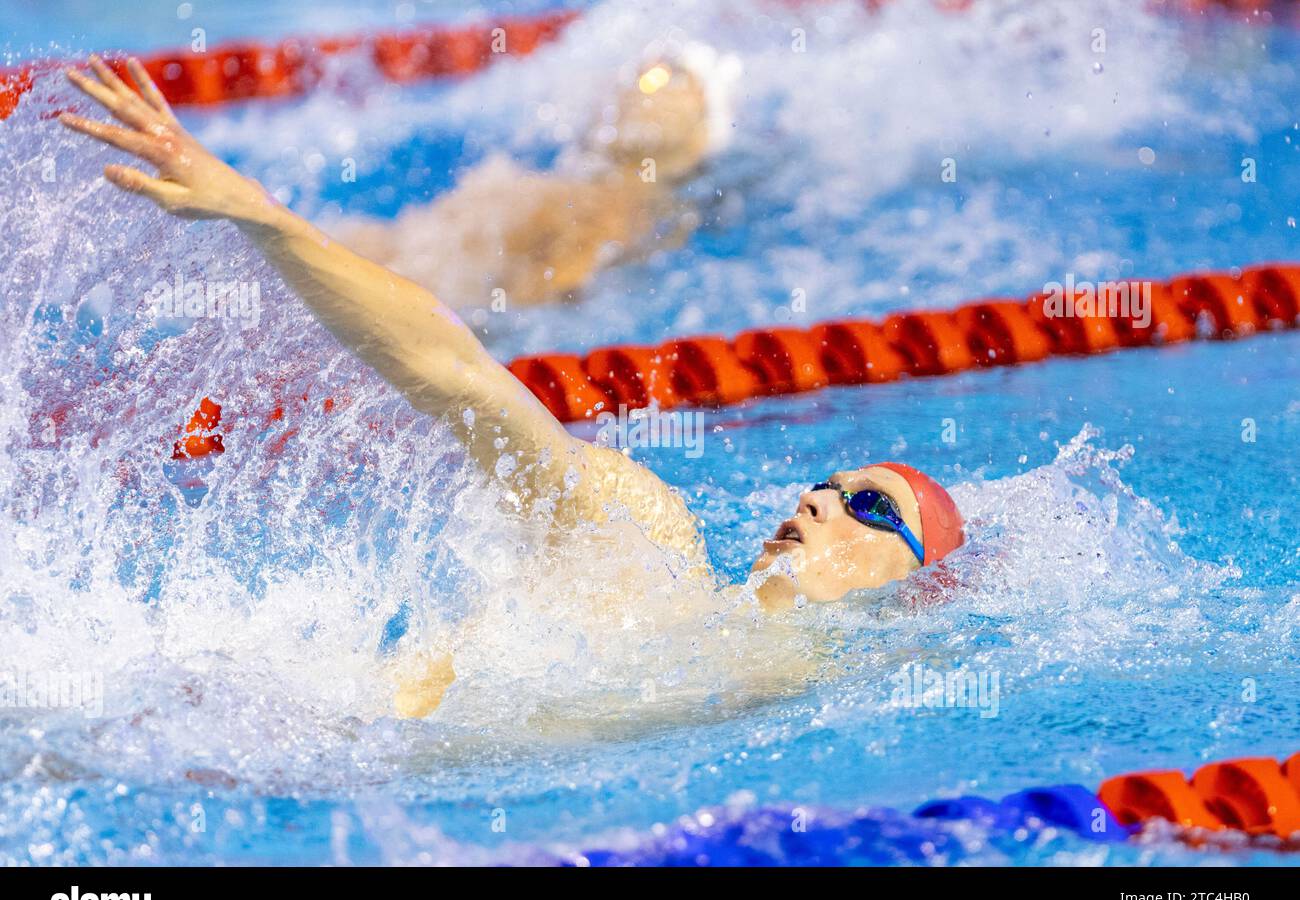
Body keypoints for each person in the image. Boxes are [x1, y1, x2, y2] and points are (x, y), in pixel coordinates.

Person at [59, 55, 965, 717]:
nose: (818, 498)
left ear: (913, 587)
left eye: (870, 508)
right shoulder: (637, 541)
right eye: (832, 485)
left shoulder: (844, 690)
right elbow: (459, 376)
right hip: (249, 729)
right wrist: (257, 211)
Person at [332, 45, 741, 315]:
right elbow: (538, 297)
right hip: (404, 284)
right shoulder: (616, 202)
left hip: (392, 266)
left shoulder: (589, 195)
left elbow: (537, 290)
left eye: (664, 79)